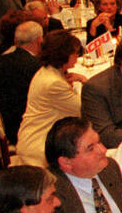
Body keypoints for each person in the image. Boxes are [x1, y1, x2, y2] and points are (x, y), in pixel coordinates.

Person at [15, 30, 85, 167]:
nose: (77, 56)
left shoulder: (47, 71)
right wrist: (86, 81)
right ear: (64, 55)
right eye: (75, 53)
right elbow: (83, 110)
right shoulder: (54, 83)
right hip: (39, 144)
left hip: (33, 135)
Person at [0, 19, 42, 143]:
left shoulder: (1, 61)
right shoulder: (36, 67)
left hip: (8, 124)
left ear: (16, 41)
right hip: (27, 131)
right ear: (39, 40)